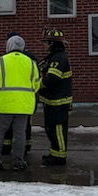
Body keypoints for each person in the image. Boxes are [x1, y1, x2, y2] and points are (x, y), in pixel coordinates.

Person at [0, 35, 41, 171]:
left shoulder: (0, 62)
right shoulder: (31, 63)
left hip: (4, 104)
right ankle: (18, 161)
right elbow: (36, 85)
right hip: (24, 106)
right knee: (20, 134)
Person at [39, 28, 73, 166]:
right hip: (52, 101)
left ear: (53, 43)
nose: (44, 45)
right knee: (51, 128)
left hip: (58, 102)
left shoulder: (59, 58)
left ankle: (60, 157)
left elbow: (52, 78)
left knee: (57, 129)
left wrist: (37, 85)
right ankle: (54, 153)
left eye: (46, 42)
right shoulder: (53, 57)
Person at [2, 31, 36, 158]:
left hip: (9, 99)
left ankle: (6, 147)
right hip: (27, 99)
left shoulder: (4, 59)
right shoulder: (31, 58)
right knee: (24, 126)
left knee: (8, 126)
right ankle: (25, 147)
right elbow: (36, 80)